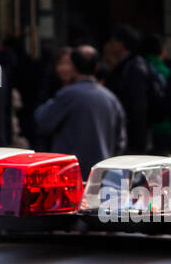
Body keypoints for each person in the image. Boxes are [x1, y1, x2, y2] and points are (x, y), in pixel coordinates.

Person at [33, 45, 125, 175]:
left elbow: (42, 121)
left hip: (69, 175)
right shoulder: (111, 99)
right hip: (101, 176)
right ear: (96, 67)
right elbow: (120, 142)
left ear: (73, 67)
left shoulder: (67, 95)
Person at [104, 25, 154, 153]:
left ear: (121, 44)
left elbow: (138, 106)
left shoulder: (134, 68)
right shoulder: (127, 65)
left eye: (113, 42)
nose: (110, 45)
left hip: (133, 132)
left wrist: (137, 139)